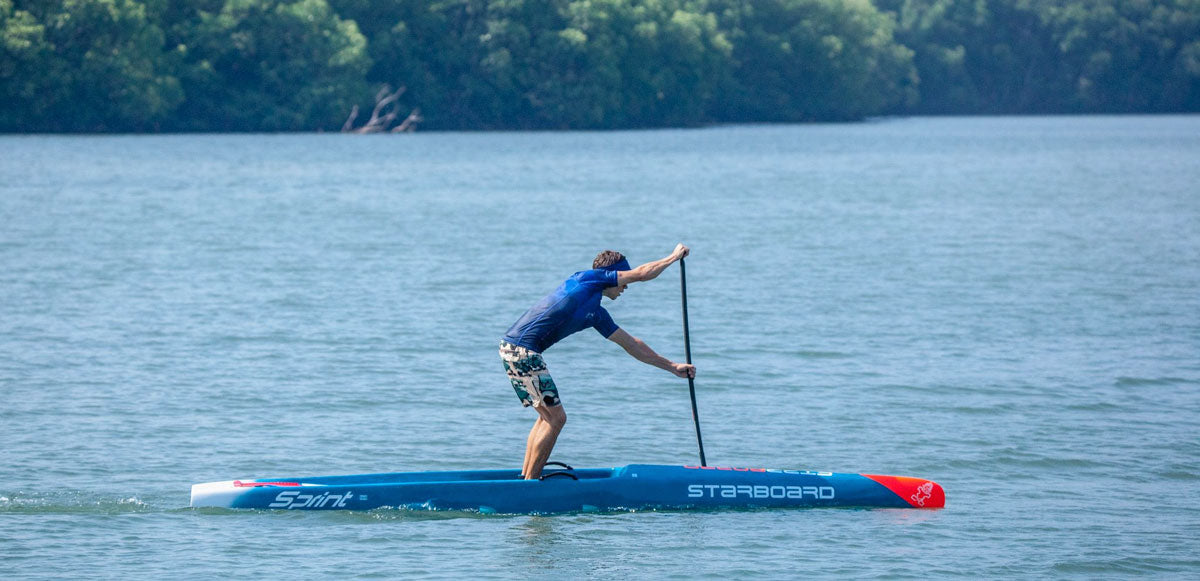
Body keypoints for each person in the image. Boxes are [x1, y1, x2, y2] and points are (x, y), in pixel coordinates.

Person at [500, 244, 696, 480]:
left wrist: (673, 367)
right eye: (623, 279)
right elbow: (643, 274)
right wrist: (674, 257)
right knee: (557, 419)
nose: (625, 287)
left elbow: (632, 345)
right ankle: (530, 485)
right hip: (523, 350)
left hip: (514, 349)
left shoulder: (597, 313)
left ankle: (525, 478)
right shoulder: (586, 279)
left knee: (547, 417)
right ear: (612, 275)